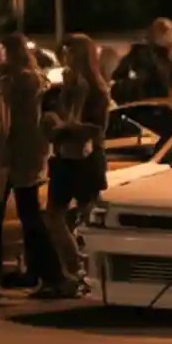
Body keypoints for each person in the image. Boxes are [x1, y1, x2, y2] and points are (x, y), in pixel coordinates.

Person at [0, 33, 61, 299]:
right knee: (23, 214)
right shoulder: (30, 79)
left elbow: (2, 119)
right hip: (21, 153)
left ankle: (38, 274)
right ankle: (41, 273)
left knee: (7, 215)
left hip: (13, 154)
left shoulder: (14, 80)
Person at [44, 33, 112, 298]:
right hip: (64, 156)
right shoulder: (68, 85)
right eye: (63, 52)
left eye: (70, 51)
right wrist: (52, 125)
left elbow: (97, 129)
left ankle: (90, 274)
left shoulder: (96, 88)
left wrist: (67, 126)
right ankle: (74, 271)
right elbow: (60, 119)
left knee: (90, 217)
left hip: (87, 159)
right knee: (54, 216)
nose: (65, 57)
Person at [111, 17, 172, 103]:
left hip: (166, 104)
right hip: (143, 103)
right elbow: (118, 77)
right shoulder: (139, 53)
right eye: (163, 32)